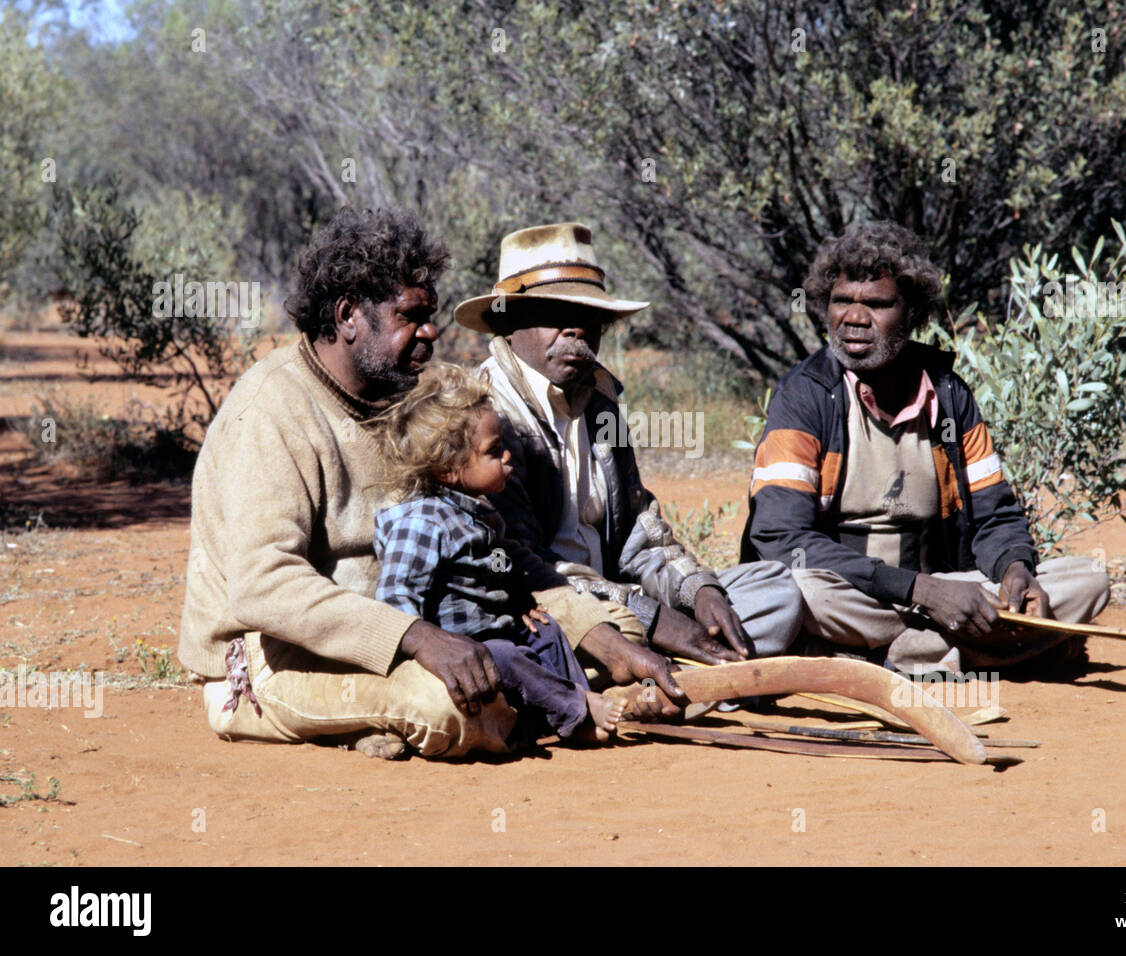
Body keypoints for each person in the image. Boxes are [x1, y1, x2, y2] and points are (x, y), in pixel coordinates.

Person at [178, 207, 682, 761]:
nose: (432, 331)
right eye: (410, 316)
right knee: (451, 705)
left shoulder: (406, 399)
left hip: (411, 634)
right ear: (349, 316)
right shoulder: (271, 410)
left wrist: (591, 630)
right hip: (269, 661)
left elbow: (490, 541)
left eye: (431, 314)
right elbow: (263, 586)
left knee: (611, 634)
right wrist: (416, 638)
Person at [741, 221, 1110, 675]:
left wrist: (1015, 568)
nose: (854, 318)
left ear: (912, 313)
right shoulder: (804, 397)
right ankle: (989, 650)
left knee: (1087, 580)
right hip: (851, 594)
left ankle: (889, 657)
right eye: (842, 302)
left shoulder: (949, 395)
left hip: (943, 590)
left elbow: (995, 515)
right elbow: (782, 539)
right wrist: (918, 591)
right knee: (795, 591)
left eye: (876, 304)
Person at [452, 222, 804, 674]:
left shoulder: (598, 401)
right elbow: (524, 566)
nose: (577, 329)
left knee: (777, 589)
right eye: (556, 313)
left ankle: (679, 666)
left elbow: (639, 528)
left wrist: (698, 590)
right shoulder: (485, 416)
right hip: (553, 607)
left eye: (590, 316)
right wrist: (652, 619)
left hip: (620, 595)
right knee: (547, 635)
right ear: (509, 321)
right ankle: (668, 667)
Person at [370, 363, 625, 744]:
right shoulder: (420, 522)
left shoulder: (479, 511)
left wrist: (518, 600)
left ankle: (572, 708)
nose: (508, 457)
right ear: (448, 469)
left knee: (547, 630)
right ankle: (578, 709)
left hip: (496, 630)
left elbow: (494, 568)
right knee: (505, 657)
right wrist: (422, 653)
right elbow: (396, 597)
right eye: (494, 451)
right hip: (464, 651)